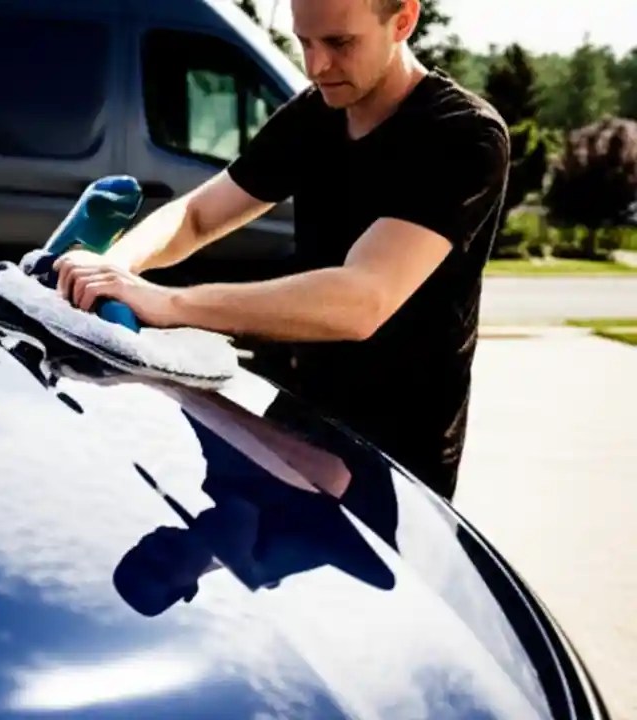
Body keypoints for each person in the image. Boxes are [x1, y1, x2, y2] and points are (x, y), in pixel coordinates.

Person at [52, 0, 511, 501]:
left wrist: (167, 303)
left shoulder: (463, 136)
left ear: (402, 21)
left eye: (339, 43)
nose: (316, 66)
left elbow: (361, 300)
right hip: (295, 426)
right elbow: (197, 216)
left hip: (395, 466)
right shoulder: (315, 115)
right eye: (305, 42)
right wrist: (114, 266)